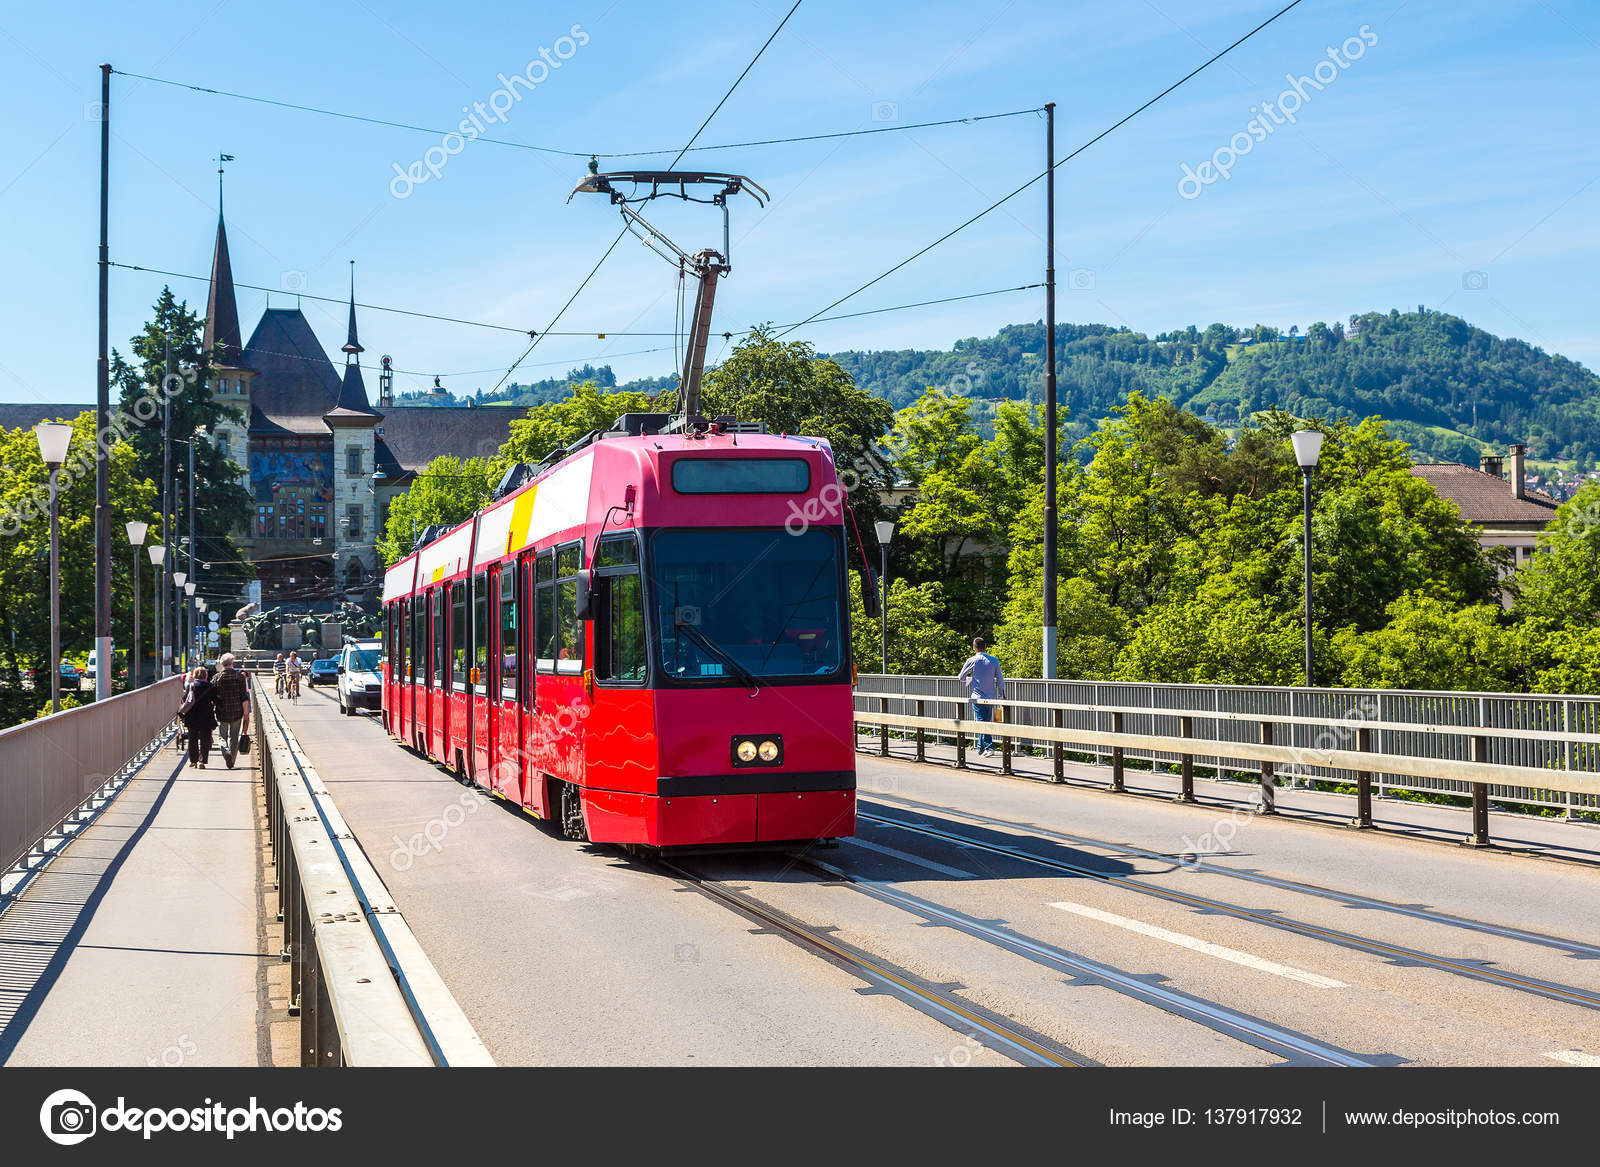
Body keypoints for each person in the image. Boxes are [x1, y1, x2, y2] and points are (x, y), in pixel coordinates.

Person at [957, 636, 1006, 756]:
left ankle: (989, 747)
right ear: (985, 647)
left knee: (982, 722)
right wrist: (1001, 694)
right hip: (990, 697)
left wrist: (970, 679)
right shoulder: (994, 660)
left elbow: (961, 677)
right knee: (985, 722)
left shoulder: (971, 660)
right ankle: (980, 747)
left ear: (974, 648)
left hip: (977, 697)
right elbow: (1000, 679)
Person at [212, 653, 251, 770]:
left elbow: (212, 697)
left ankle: (225, 752)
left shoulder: (216, 678)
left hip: (221, 712)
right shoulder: (239, 677)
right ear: (232, 663)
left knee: (222, 737)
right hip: (237, 711)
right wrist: (246, 714)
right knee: (234, 737)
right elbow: (244, 697)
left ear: (222, 664)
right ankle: (232, 759)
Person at [180, 666, 218, 769]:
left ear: (194, 675)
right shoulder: (211, 686)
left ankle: (193, 761)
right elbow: (216, 700)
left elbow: (185, 700)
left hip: (192, 716)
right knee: (205, 739)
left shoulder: (191, 686)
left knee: (192, 739)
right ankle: (202, 761)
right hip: (206, 716)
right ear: (205, 675)